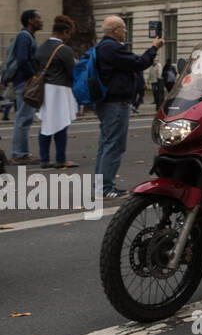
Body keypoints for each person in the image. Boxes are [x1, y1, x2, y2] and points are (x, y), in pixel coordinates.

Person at [92, 15, 162, 199]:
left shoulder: (101, 47)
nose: (125, 31)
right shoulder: (113, 48)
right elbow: (139, 63)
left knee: (105, 145)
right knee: (114, 146)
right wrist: (154, 48)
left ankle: (100, 186)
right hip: (116, 103)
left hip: (106, 101)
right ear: (115, 30)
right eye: (123, 28)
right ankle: (106, 188)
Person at [34, 16, 78, 169]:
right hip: (60, 89)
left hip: (44, 89)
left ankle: (44, 160)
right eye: (68, 34)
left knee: (46, 124)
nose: (68, 37)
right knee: (61, 124)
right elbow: (72, 72)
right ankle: (60, 159)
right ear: (63, 32)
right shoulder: (64, 49)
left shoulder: (42, 47)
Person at [5, 10, 43, 164]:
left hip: (23, 81)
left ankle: (19, 153)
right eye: (38, 17)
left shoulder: (27, 36)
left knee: (23, 118)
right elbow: (23, 59)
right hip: (24, 82)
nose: (41, 20)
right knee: (24, 118)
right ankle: (20, 154)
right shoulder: (24, 36)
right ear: (30, 20)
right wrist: (33, 77)